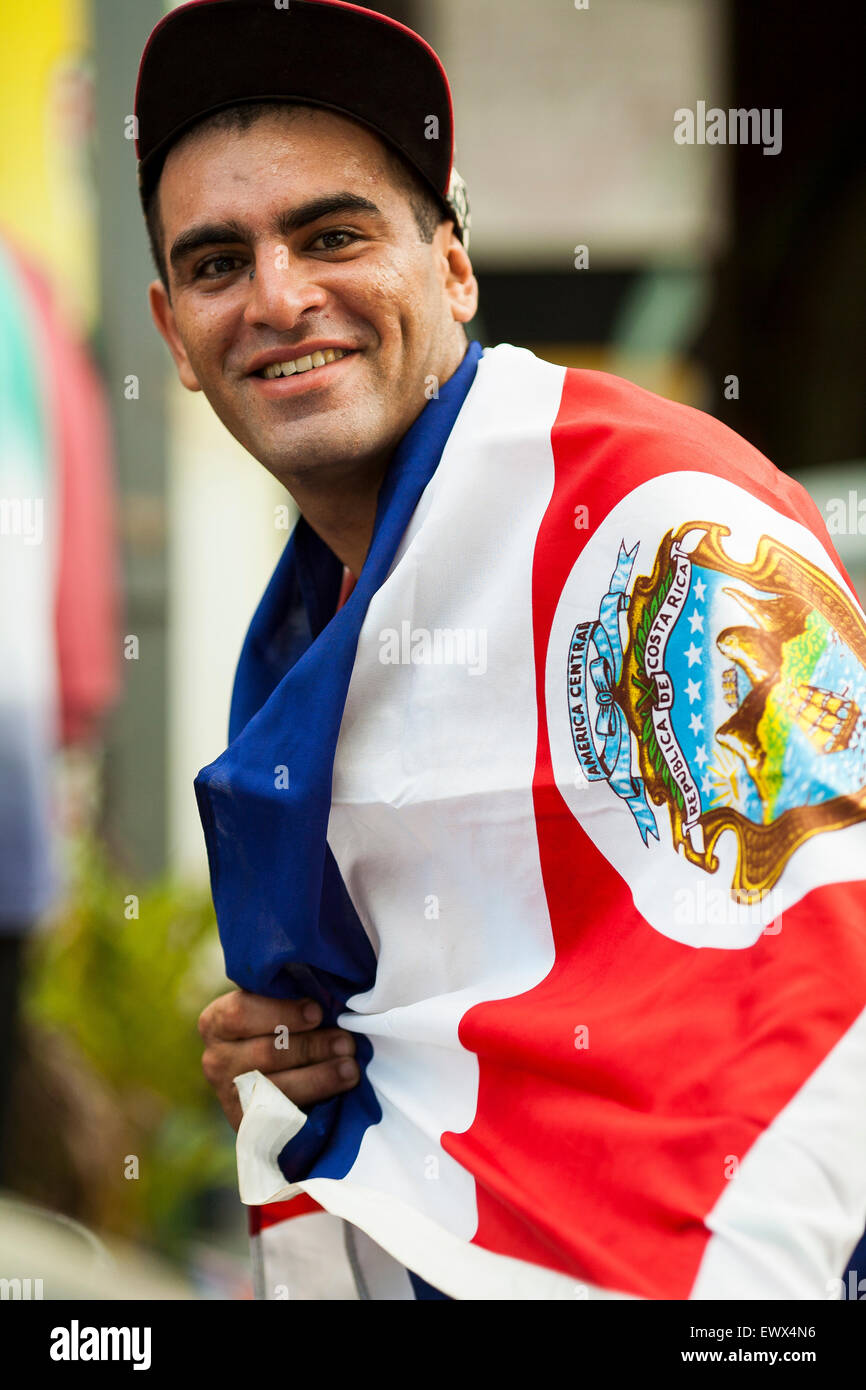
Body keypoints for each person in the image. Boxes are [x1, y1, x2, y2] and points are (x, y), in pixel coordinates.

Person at [136, 0, 866, 1301]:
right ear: (172, 334)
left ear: (454, 269)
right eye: (215, 262)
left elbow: (824, 989)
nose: (278, 294)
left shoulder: (655, 512)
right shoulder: (332, 588)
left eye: (332, 233)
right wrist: (321, 1034)